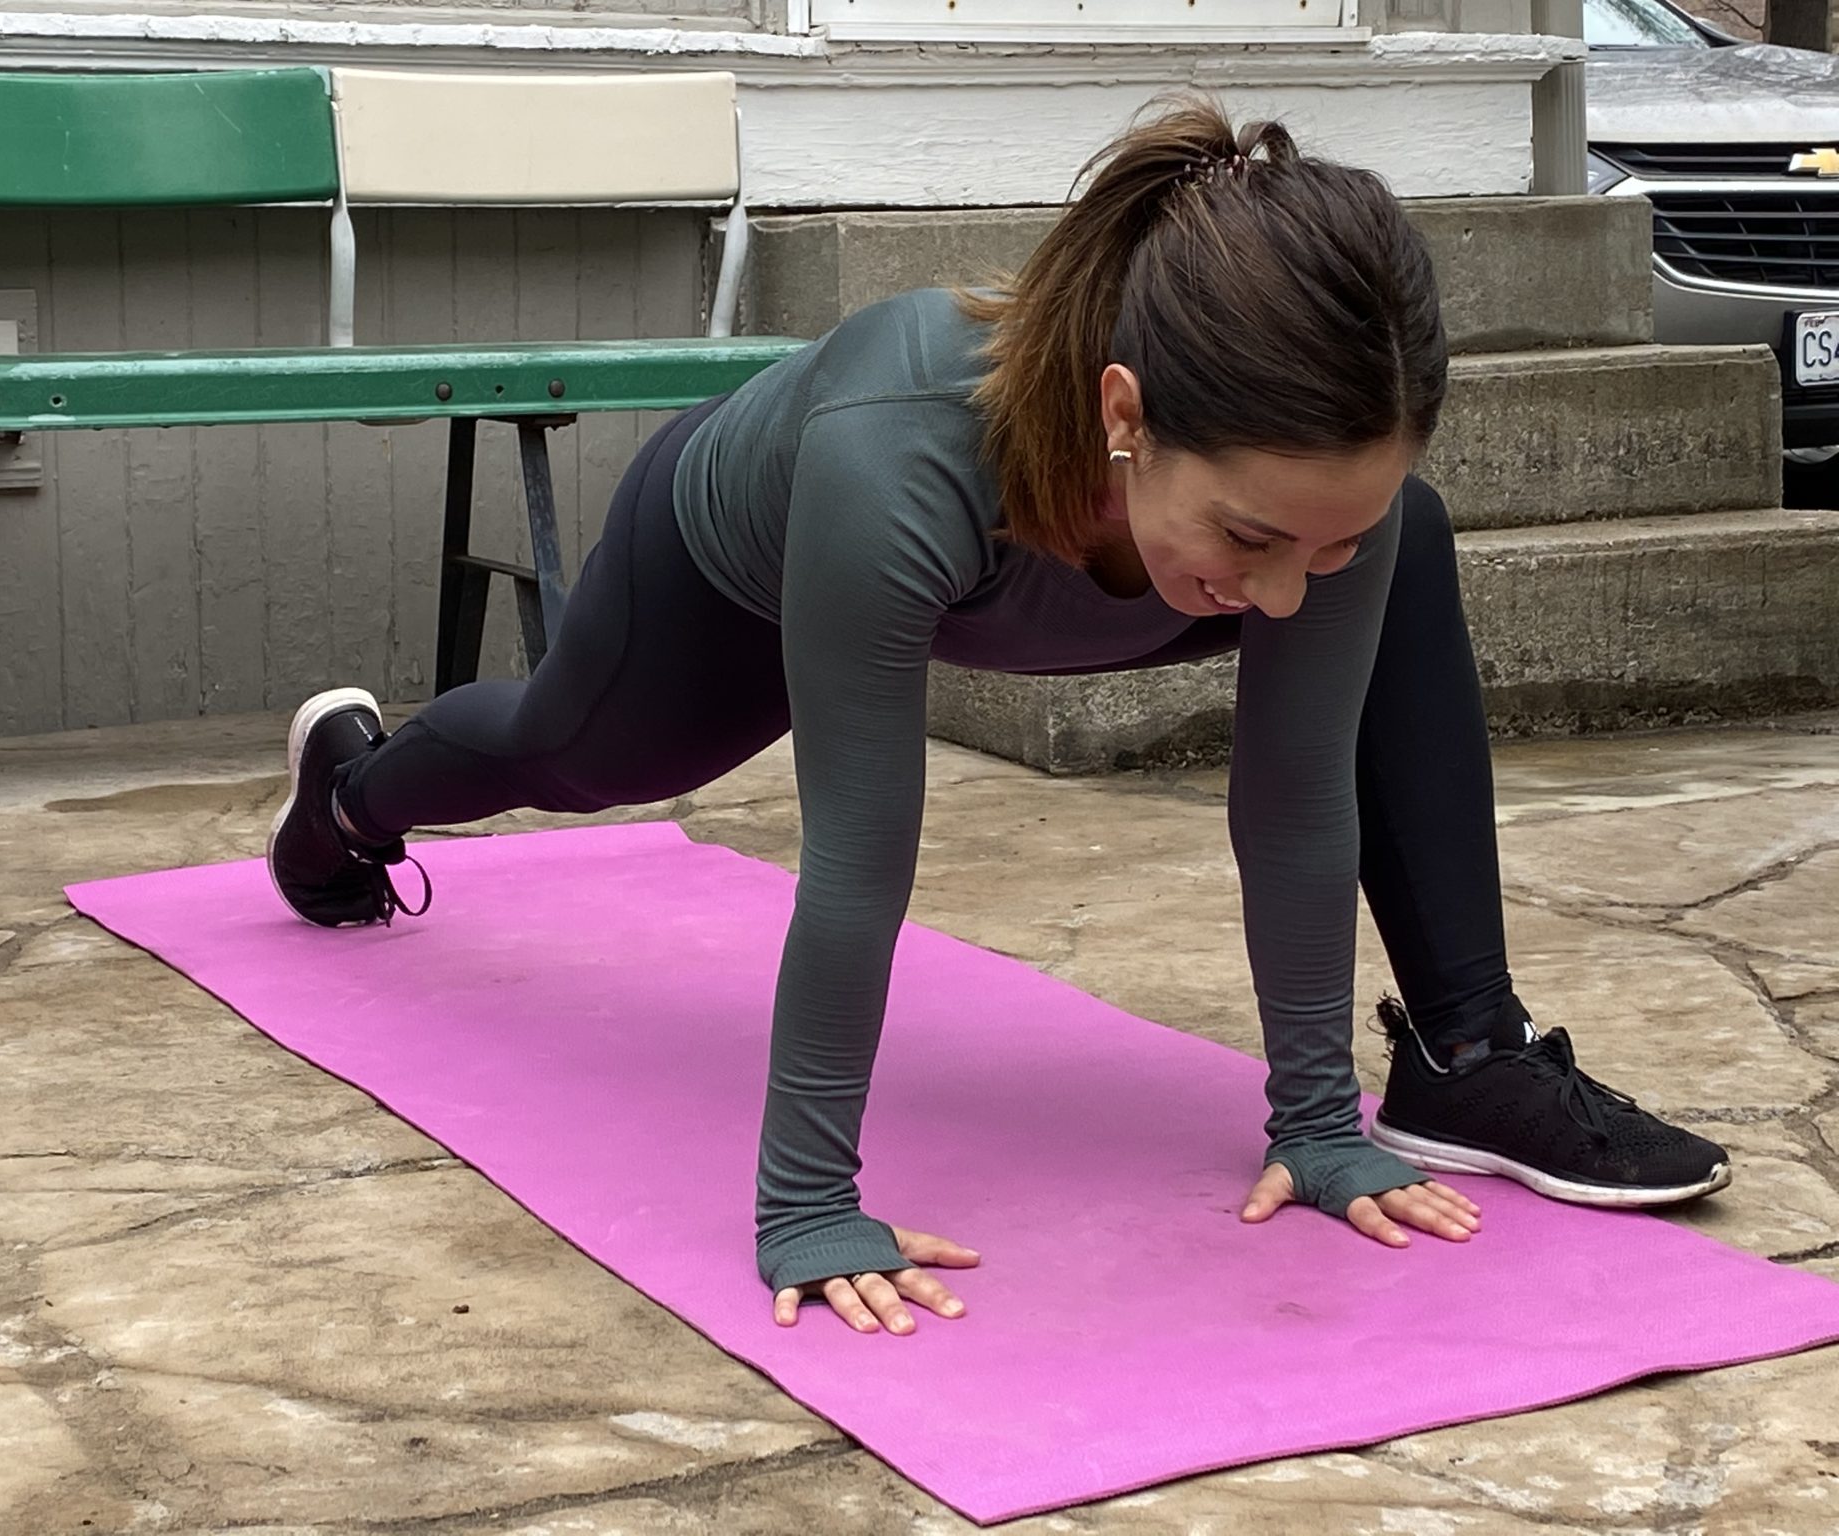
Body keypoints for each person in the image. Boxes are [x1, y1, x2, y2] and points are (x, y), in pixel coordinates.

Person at [266, 99, 1731, 1339]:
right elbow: (858, 863)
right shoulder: (895, 455)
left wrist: (1316, 1126)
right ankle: (348, 792)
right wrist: (808, 1206)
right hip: (731, 569)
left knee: (1356, 568)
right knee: (574, 752)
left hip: (1045, 571)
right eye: (1255, 536)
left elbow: (1294, 801)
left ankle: (1461, 1055)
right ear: (1124, 415)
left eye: (1329, 543)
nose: (1291, 593)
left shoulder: (1310, 509)